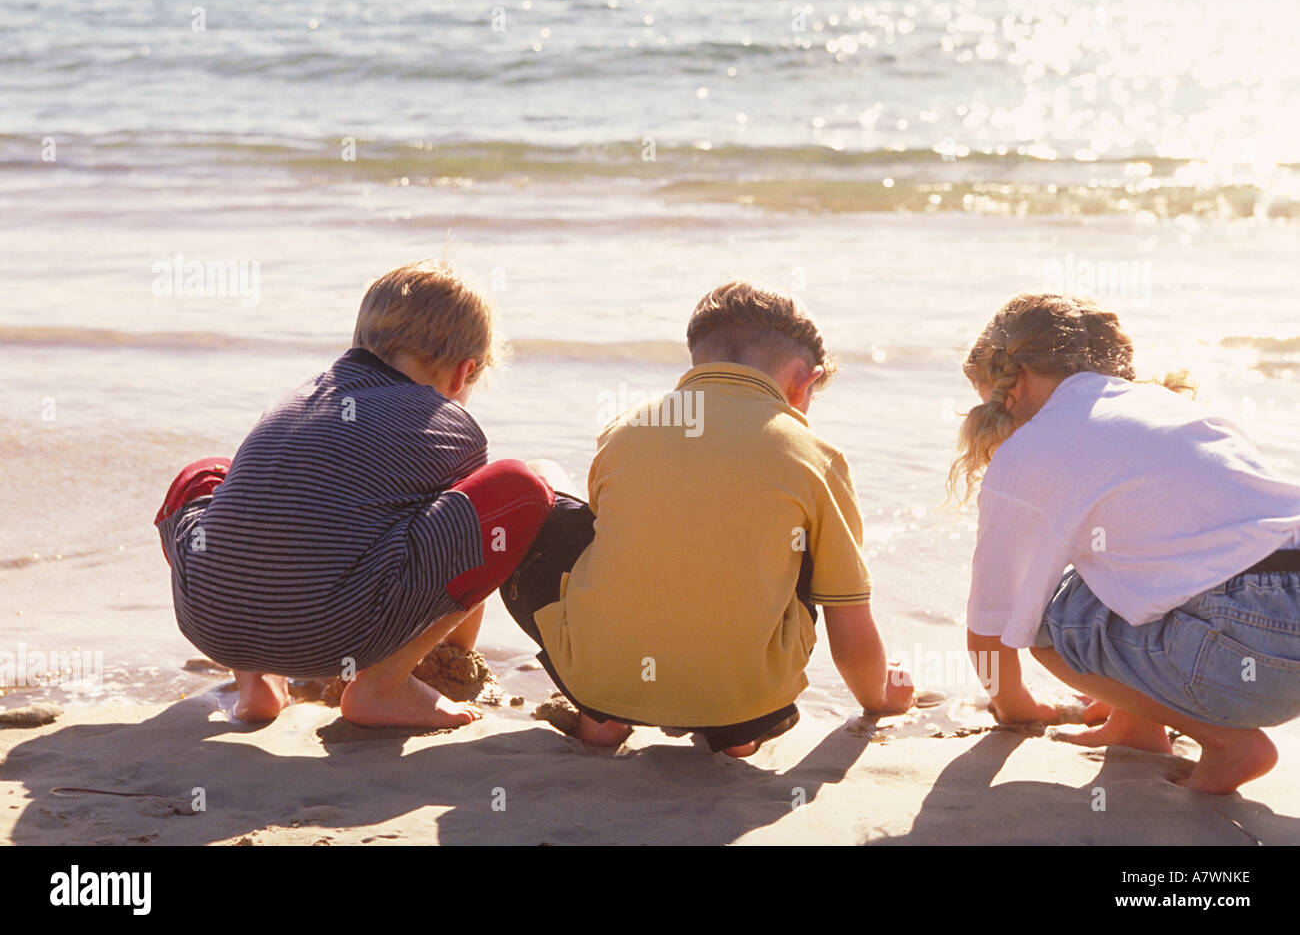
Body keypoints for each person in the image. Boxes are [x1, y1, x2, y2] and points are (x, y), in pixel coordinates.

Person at [502, 281, 914, 757]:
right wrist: (880, 698)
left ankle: (604, 717)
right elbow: (848, 613)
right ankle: (737, 735)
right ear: (805, 381)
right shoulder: (817, 458)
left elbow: (608, 547)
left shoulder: (627, 429)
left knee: (543, 487)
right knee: (804, 550)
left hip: (597, 676)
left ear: (699, 360)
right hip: (747, 698)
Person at [155, 260, 554, 727]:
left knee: (205, 475)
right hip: (335, 634)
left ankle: (256, 681)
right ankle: (383, 686)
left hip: (212, 623)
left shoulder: (289, 401)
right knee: (520, 488)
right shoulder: (445, 423)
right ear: (462, 373)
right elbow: (462, 551)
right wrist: (450, 652)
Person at [953, 293, 1300, 793]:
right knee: (1117, 574)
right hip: (1280, 614)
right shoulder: (1165, 406)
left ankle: (1227, 742)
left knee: (1047, 614)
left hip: (1246, 643)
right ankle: (1135, 727)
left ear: (1015, 384)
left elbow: (992, 625)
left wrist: (1017, 710)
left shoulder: (1031, 449)